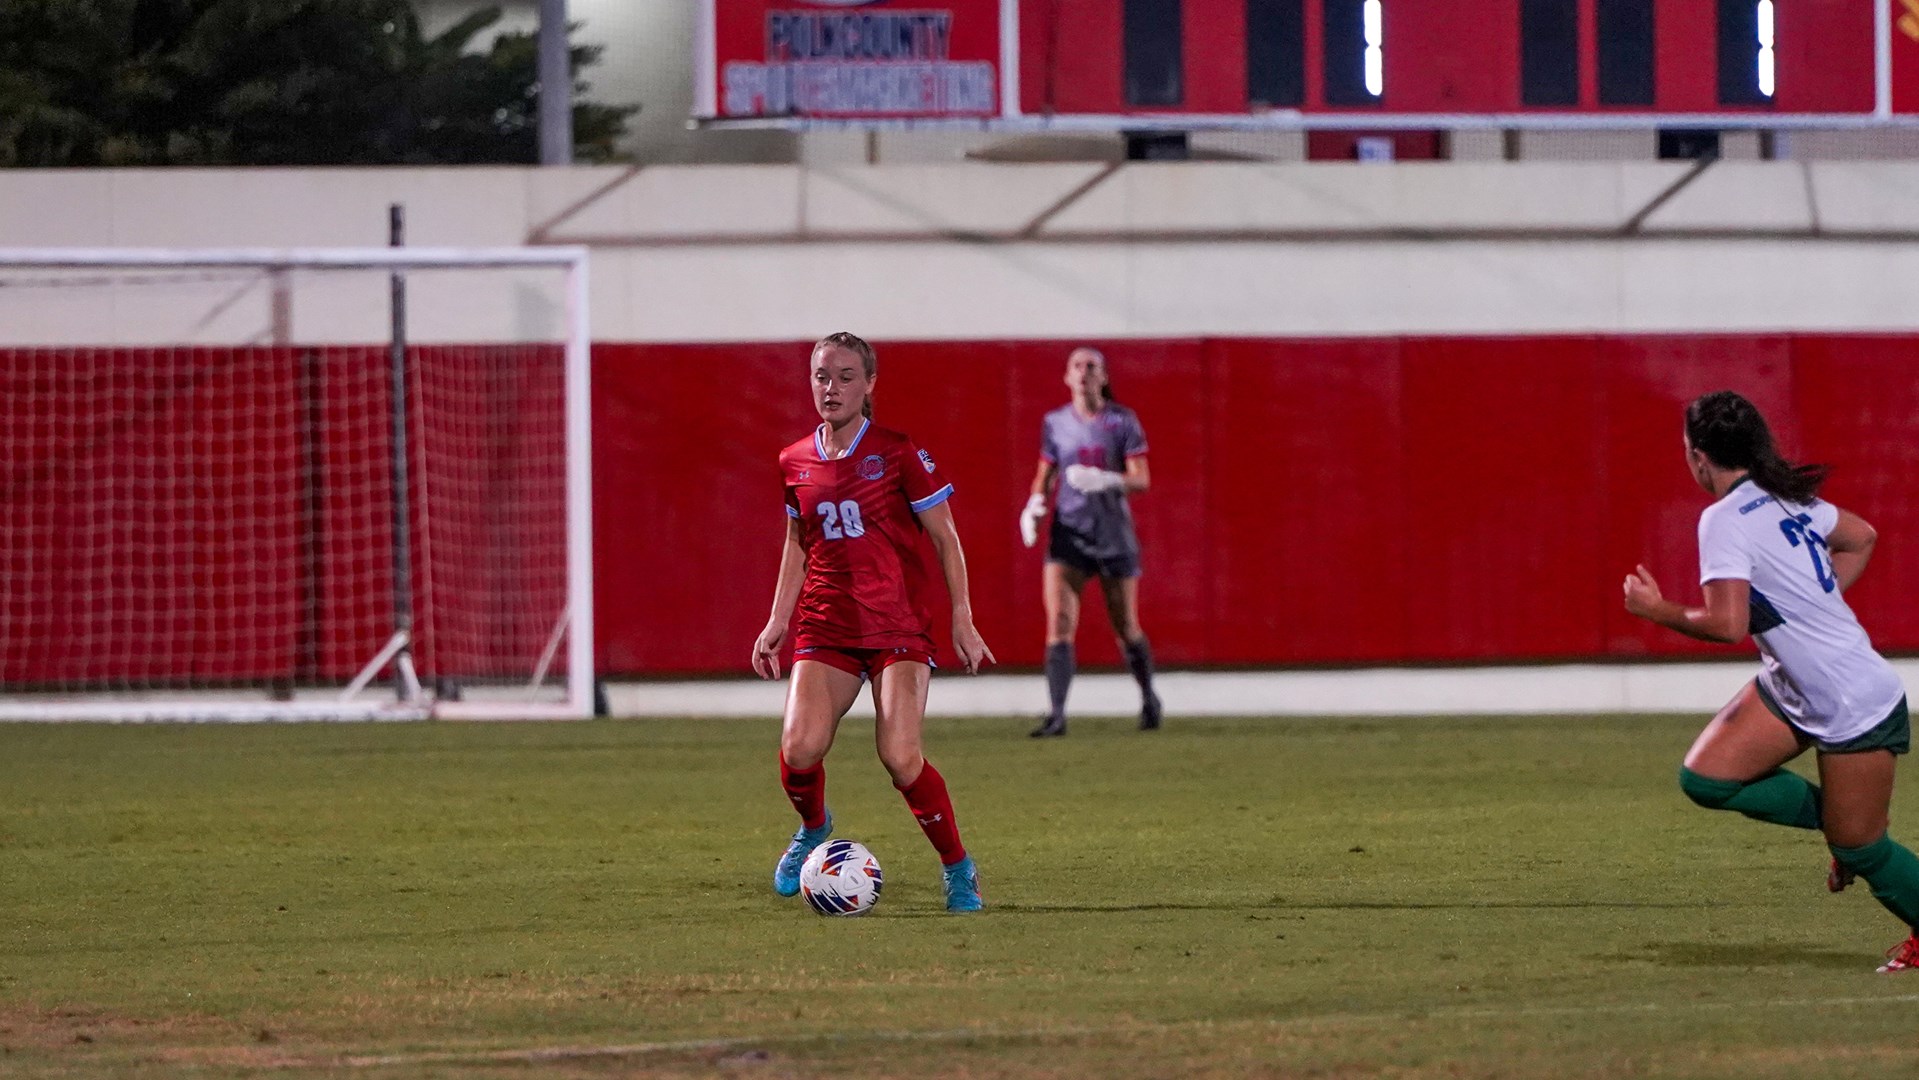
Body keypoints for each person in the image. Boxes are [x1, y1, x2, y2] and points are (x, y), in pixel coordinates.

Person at [1624, 390, 1919, 972]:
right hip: (1795, 686)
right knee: (1707, 780)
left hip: (1849, 700)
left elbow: (1728, 624)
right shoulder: (1786, 496)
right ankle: (1841, 817)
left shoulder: (1723, 518)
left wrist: (1653, 609)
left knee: (1861, 846)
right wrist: (1814, 604)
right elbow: (1863, 537)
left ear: (1699, 458)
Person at [752, 331, 996, 913]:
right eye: (820, 375)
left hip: (898, 628)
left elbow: (946, 537)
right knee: (799, 747)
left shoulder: (897, 451)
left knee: (900, 757)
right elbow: (797, 540)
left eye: (843, 376)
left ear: (868, 384)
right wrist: (776, 620)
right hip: (826, 626)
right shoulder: (794, 460)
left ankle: (958, 867)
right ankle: (814, 828)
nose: (830, 387)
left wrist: (963, 617)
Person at [1019, 346, 1160, 739]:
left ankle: (1149, 696)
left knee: (1125, 624)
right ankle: (1057, 713)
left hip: (1113, 535)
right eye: (1077, 366)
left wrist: (1106, 479)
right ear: (1066, 376)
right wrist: (1034, 505)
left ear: (1103, 376)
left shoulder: (1121, 421)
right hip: (1070, 534)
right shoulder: (1055, 423)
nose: (1083, 373)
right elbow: (1045, 473)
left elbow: (1141, 478)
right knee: (1060, 622)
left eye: (1091, 367)